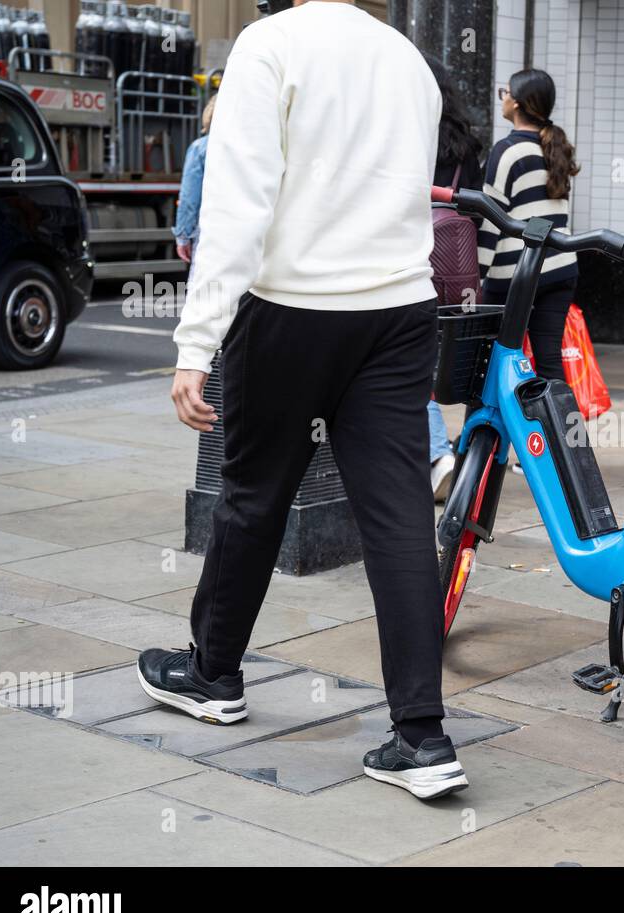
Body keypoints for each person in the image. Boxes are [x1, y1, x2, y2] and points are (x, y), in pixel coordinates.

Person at [143, 0, 468, 801]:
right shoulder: (406, 59)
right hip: (398, 308)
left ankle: (213, 675)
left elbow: (238, 201)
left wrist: (197, 341)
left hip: (290, 306)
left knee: (254, 496)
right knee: (397, 514)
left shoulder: (271, 44)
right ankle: (422, 736)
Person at [479, 68, 580, 474]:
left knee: (493, 361)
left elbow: (489, 220)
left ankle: (483, 446)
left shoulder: (506, 151)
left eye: (504, 91)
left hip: (514, 275)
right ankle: (562, 449)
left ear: (517, 103)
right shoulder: (554, 146)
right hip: (561, 267)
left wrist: (478, 276)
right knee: (549, 363)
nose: (501, 97)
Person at [423, 51, 483, 502]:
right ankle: (468, 456)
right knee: (454, 367)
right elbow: (476, 212)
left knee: (409, 367)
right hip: (457, 270)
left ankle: (438, 453)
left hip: (409, 265)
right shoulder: (467, 146)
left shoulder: (409, 132)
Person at [173, 95, 216, 273]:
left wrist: (183, 236)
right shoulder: (254, 149)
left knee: (203, 292)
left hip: (210, 231)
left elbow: (189, 197)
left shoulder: (201, 149)